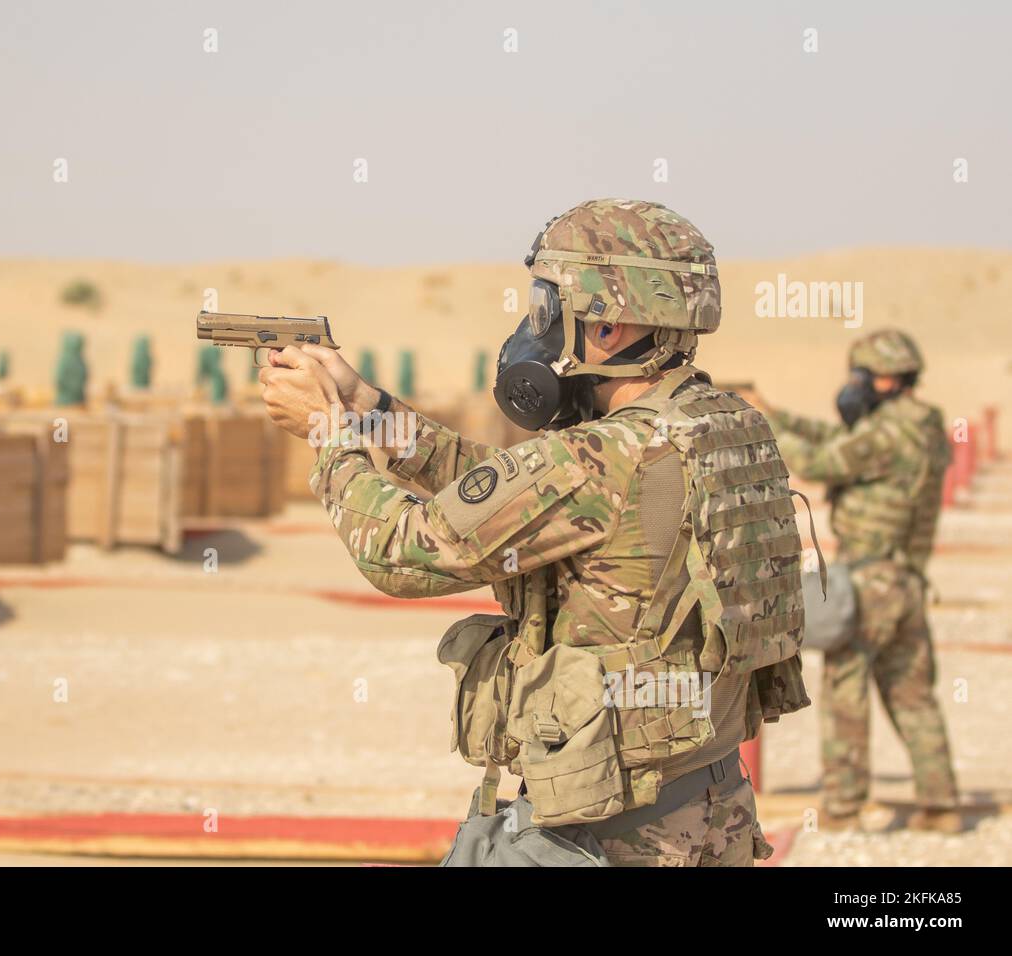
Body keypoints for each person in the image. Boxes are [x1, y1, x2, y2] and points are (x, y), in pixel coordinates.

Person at [260, 199, 810, 866]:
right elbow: (513, 491)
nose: (535, 327)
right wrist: (372, 412)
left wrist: (327, 437)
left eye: (550, 307)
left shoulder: (602, 456)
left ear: (611, 322)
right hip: (707, 802)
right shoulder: (719, 426)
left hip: (606, 831)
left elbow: (399, 553)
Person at [760, 330, 961, 833]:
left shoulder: (887, 434)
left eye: (864, 377)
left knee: (845, 689)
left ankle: (844, 807)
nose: (856, 386)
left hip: (870, 582)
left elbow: (815, 460)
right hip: (907, 581)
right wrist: (772, 412)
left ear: (889, 379)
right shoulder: (923, 428)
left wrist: (760, 425)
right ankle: (942, 805)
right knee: (913, 694)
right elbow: (836, 439)